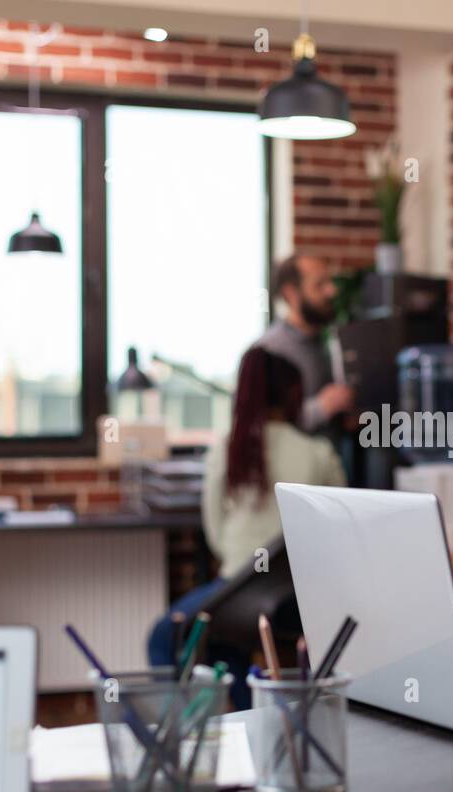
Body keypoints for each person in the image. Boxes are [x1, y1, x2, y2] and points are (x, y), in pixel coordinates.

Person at [146, 346, 347, 706]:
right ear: (293, 395)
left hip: (235, 592)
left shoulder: (228, 449)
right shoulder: (318, 453)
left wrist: (241, 566)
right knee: (228, 638)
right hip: (295, 599)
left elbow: (215, 530)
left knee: (167, 635)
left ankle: (186, 733)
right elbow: (338, 528)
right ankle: (256, 725)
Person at [255, 254, 354, 449]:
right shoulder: (269, 351)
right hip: (294, 476)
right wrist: (321, 408)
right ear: (291, 293)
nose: (331, 291)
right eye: (319, 285)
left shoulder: (329, 343)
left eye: (330, 282)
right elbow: (258, 423)